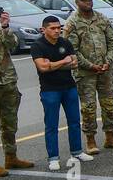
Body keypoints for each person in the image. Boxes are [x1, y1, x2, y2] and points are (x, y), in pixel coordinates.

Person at [65, 0, 113, 154]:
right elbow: (73, 50)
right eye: (84, 1)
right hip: (86, 73)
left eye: (90, 0)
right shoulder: (73, 22)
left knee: (109, 103)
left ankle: (110, 137)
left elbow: (112, 41)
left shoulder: (101, 18)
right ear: (77, 2)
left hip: (105, 70)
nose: (88, 3)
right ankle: (90, 140)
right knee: (89, 107)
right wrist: (91, 66)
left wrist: (108, 61)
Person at [31, 15, 92, 170]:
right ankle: (53, 158)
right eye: (52, 28)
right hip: (50, 90)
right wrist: (62, 62)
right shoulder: (38, 46)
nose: (57, 31)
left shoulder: (65, 42)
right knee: (51, 124)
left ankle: (77, 151)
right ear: (43, 29)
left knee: (74, 121)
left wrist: (53, 64)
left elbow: (74, 63)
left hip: (69, 86)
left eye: (59, 28)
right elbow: (42, 67)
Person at [0, 4, 33, 176]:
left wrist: (5, 26)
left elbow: (12, 45)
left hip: (8, 81)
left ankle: (11, 156)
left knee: (10, 123)